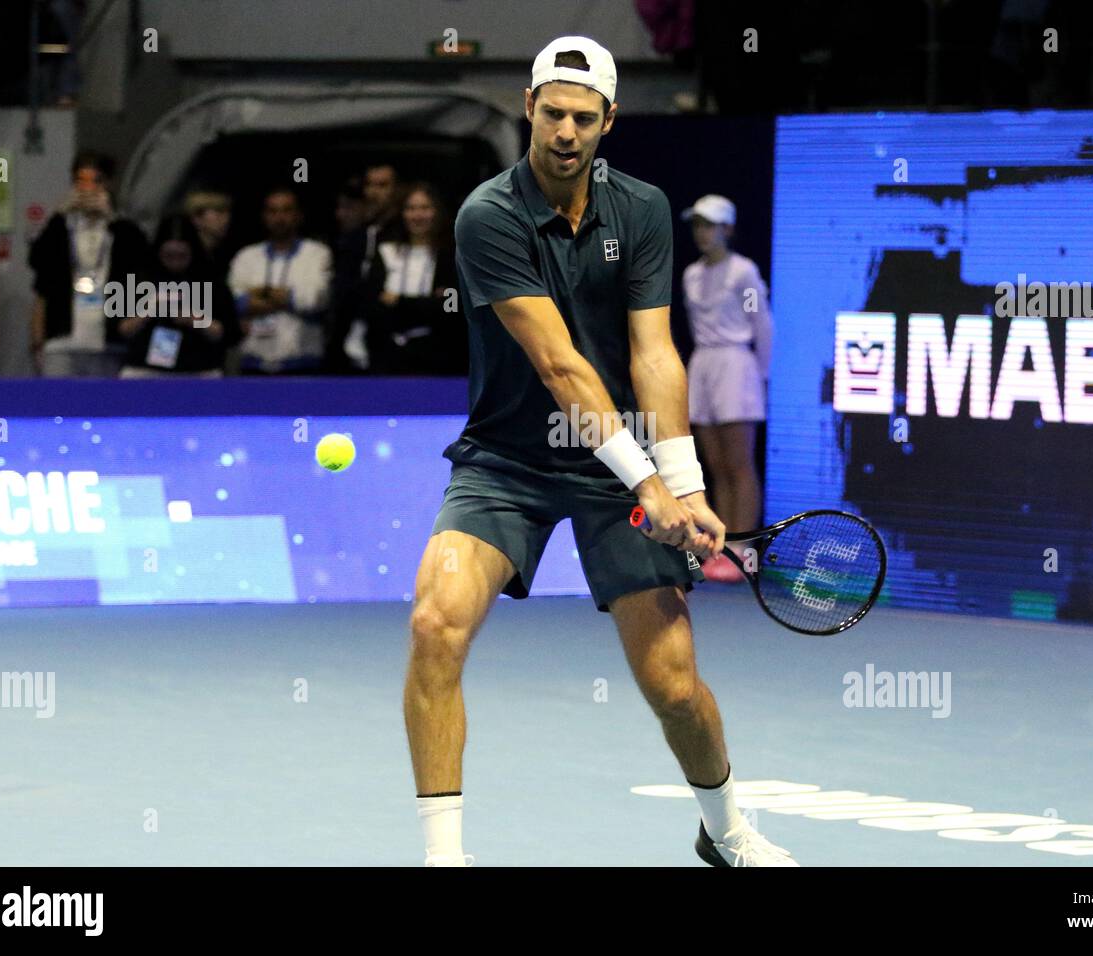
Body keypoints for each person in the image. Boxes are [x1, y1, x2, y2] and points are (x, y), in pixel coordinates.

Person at [403, 36, 796, 868]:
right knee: (435, 625)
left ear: (610, 121)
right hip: (504, 463)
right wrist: (648, 479)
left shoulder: (644, 209)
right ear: (528, 107)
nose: (566, 131)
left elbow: (654, 354)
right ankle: (445, 859)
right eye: (553, 112)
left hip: (618, 467)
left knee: (675, 686)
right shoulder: (488, 216)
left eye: (584, 117)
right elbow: (560, 366)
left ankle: (725, 832)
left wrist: (683, 486)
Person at [680, 194, 773, 583]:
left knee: (739, 462)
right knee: (714, 465)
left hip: (737, 365)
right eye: (698, 225)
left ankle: (741, 547)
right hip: (702, 365)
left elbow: (763, 327)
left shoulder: (744, 272)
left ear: (728, 229)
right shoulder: (690, 274)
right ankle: (719, 545)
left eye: (710, 224)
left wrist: (759, 377)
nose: (703, 232)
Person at [28, 151, 149, 376]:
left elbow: (141, 259)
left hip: (107, 341)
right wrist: (58, 214)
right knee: (59, 407)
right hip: (63, 341)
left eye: (97, 181)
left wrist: (111, 217)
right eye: (81, 181)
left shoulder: (122, 230)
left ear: (108, 184)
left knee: (104, 408)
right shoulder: (61, 229)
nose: (89, 189)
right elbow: (37, 263)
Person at [115, 214, 241, 378]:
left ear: (193, 252)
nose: (175, 263)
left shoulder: (212, 282)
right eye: (169, 256)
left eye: (182, 256)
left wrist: (195, 319)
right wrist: (148, 311)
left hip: (199, 371)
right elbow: (121, 330)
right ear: (158, 252)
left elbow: (228, 333)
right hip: (146, 371)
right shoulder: (138, 280)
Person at [363, 182, 466, 375]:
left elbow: (451, 309)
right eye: (411, 208)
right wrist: (429, 303)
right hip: (388, 358)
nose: (417, 215)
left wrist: (397, 300)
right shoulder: (386, 251)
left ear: (437, 212)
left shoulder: (452, 257)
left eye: (425, 208)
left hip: (437, 360)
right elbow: (372, 305)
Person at [227, 188, 332, 374]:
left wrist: (259, 294)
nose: (279, 217)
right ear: (264, 216)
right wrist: (288, 298)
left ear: (299, 215)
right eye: (272, 211)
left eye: (286, 210)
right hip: (254, 364)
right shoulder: (246, 256)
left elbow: (315, 299)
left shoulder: (317, 253)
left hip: (302, 363)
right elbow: (234, 302)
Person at [329, 163, 400, 373]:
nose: (373, 192)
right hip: (350, 338)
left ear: (396, 190)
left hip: (391, 340)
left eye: (382, 185)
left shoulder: (402, 236)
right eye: (369, 185)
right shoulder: (355, 236)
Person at [184, 189, 237, 274]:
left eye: (228, 212)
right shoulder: (184, 257)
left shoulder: (221, 253)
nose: (227, 219)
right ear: (196, 218)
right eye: (220, 211)